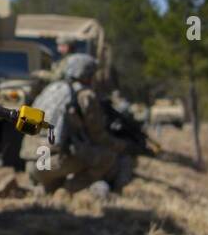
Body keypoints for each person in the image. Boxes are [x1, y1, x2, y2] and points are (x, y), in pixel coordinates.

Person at [22, 53, 132, 197]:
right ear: (88, 74)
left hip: (31, 161)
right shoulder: (85, 95)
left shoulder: (51, 89)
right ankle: (67, 191)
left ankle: (47, 189)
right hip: (50, 163)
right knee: (107, 158)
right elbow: (98, 135)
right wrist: (121, 145)